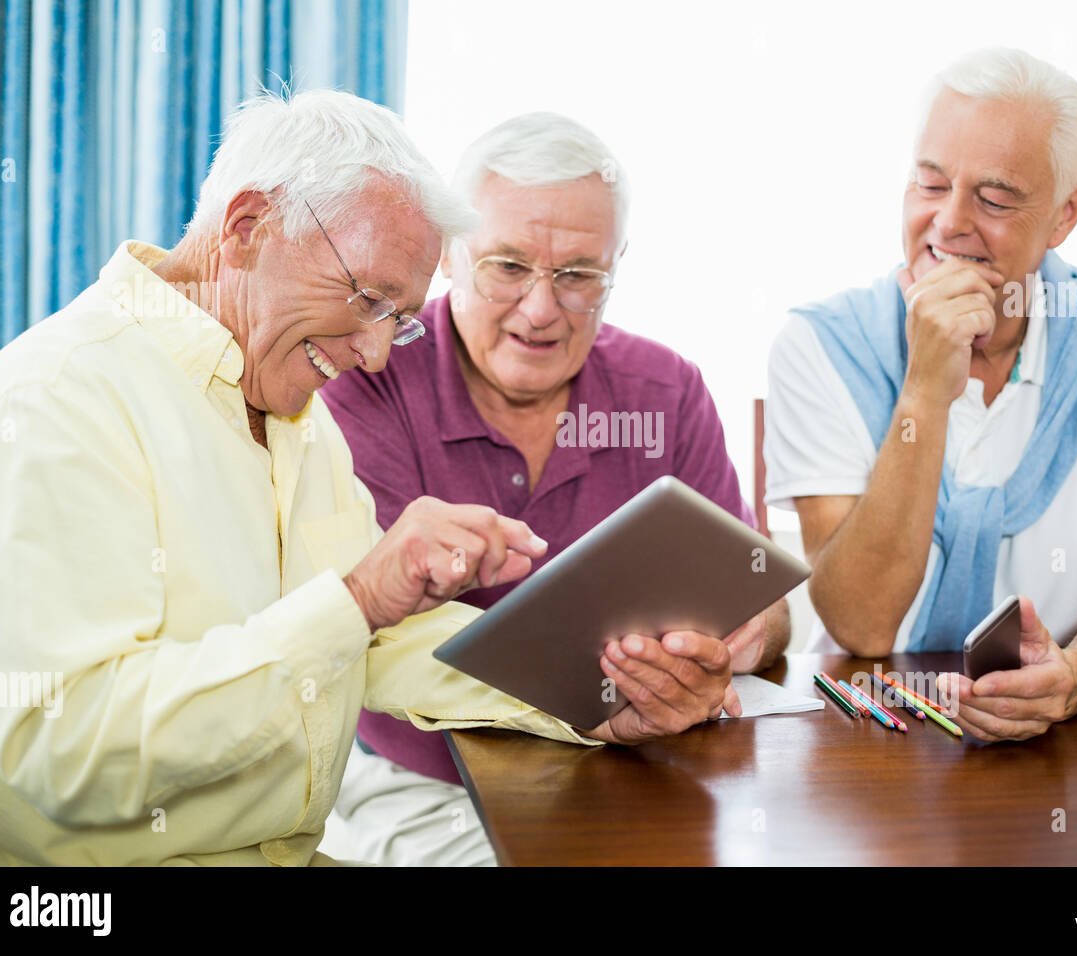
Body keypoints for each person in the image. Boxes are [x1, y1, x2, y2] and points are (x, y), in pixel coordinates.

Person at [0, 90, 732, 865]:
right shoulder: (54, 404)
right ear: (248, 229)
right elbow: (67, 752)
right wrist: (358, 601)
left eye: (397, 317)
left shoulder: (286, 401)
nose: (374, 354)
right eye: (367, 299)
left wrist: (596, 698)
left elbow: (379, 641)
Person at [319, 112, 790, 865]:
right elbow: (361, 635)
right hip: (424, 783)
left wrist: (735, 642)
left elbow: (764, 599)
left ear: (617, 266)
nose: (541, 311)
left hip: (640, 769)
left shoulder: (666, 390)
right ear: (450, 256)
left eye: (578, 275)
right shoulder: (366, 384)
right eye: (507, 266)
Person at [764, 48, 1077, 743]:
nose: (947, 224)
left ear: (1066, 213)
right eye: (930, 184)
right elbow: (861, 622)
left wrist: (1074, 676)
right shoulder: (817, 345)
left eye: (995, 200)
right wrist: (923, 395)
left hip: (1061, 742)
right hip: (860, 744)